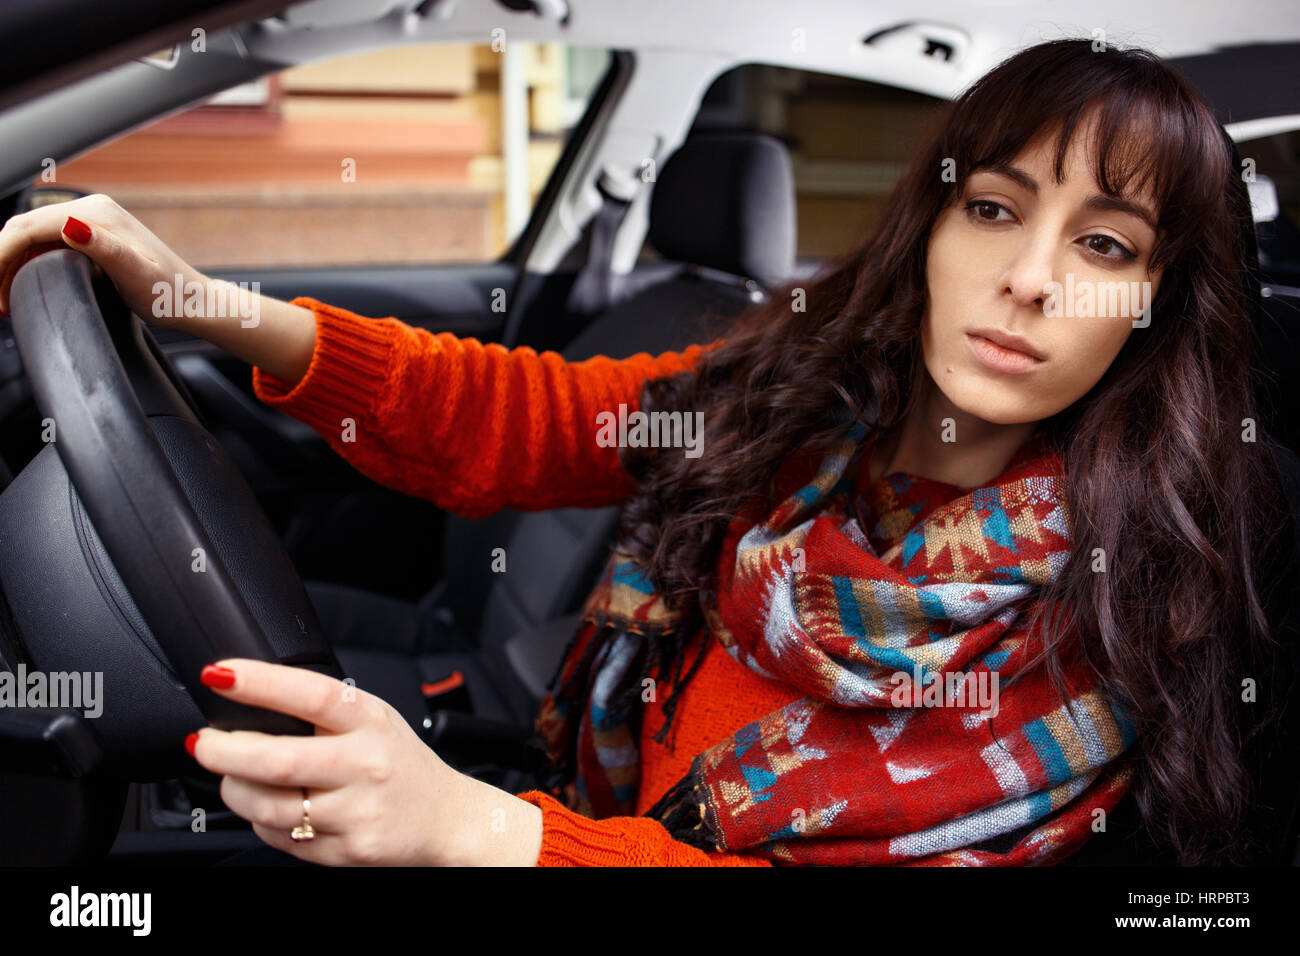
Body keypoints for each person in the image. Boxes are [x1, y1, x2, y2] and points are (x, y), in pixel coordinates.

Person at [0, 38, 1290, 866]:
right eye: (997, 209)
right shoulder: (798, 407)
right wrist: (196, 299)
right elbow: (518, 415)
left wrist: (473, 830)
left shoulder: (1115, 615)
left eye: (1104, 246)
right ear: (933, 230)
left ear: (1152, 309)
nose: (1026, 281)